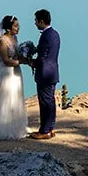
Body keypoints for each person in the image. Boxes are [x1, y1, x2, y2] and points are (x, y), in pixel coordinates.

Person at [27, 9, 60, 140]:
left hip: (45, 74)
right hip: (53, 72)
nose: (35, 23)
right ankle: (50, 128)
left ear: (41, 21)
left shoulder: (45, 36)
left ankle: (44, 131)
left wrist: (31, 62)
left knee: (45, 102)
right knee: (50, 101)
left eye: (36, 21)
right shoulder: (55, 34)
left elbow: (42, 58)